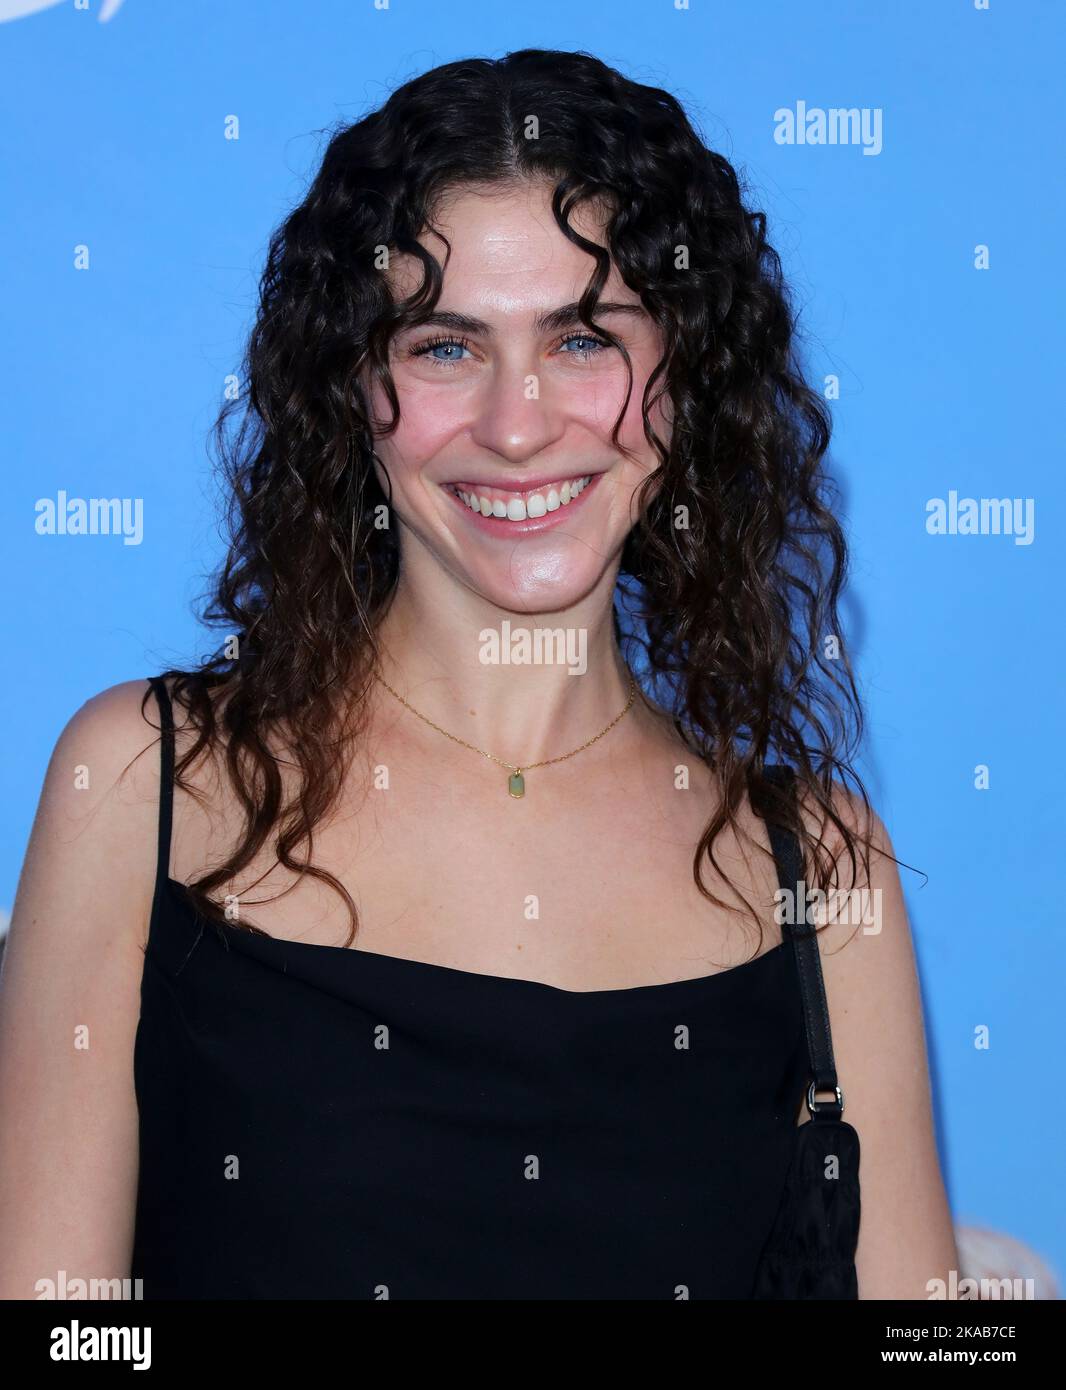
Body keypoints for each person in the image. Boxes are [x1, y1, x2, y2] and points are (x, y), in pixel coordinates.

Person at [0, 48, 958, 1300]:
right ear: (354, 387)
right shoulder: (147, 780)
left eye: (581, 338)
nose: (517, 424)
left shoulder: (819, 872)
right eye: (445, 348)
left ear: (685, 382)